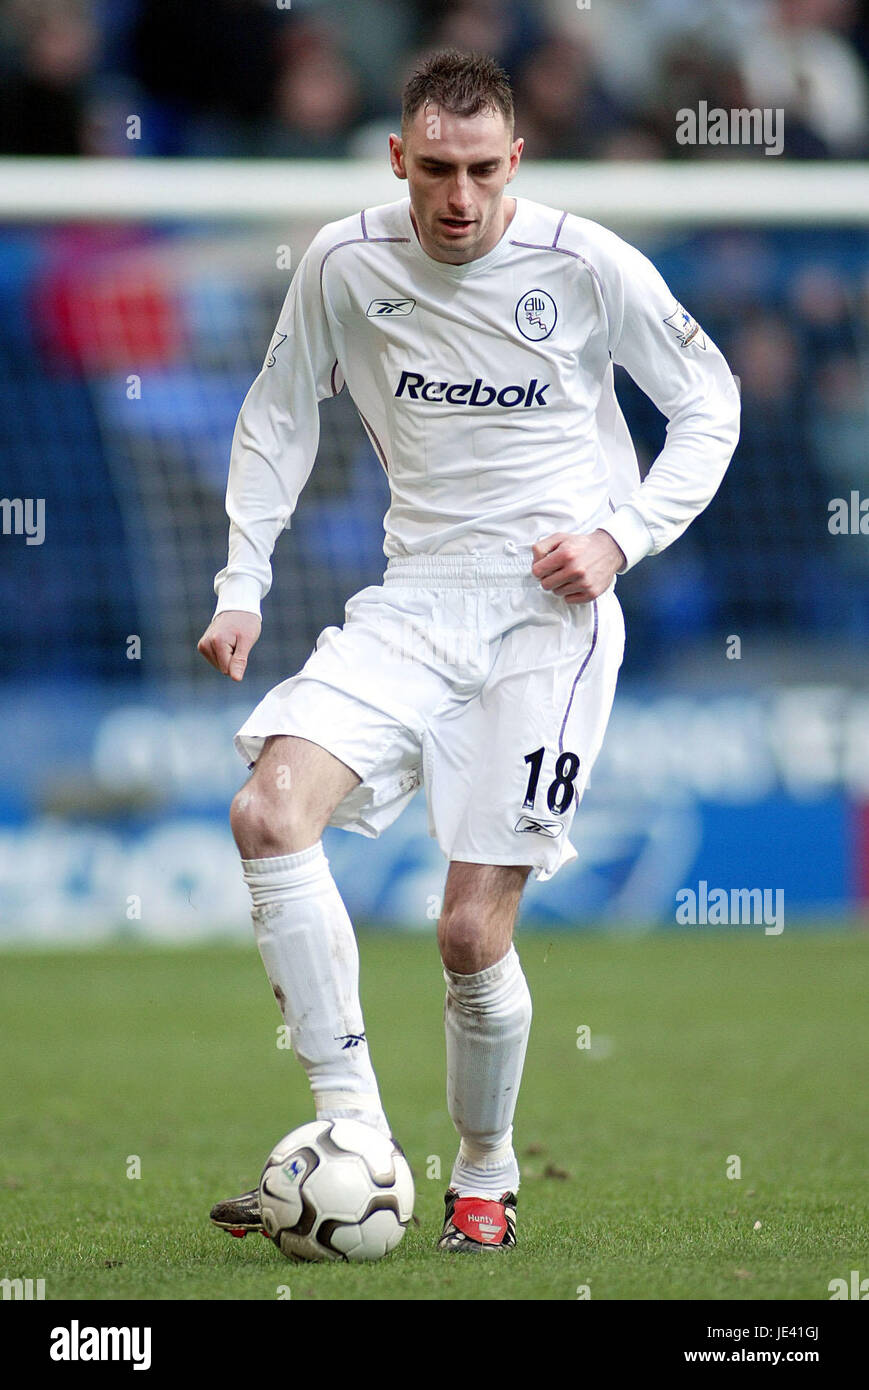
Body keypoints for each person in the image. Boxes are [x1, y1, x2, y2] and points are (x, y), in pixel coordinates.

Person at [197, 47, 740, 1254]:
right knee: (266, 811)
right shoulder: (342, 263)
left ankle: (485, 1171)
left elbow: (710, 400)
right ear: (396, 158)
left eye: (482, 171)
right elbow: (279, 415)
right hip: (413, 599)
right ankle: (353, 1128)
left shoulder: (584, 262)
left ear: (516, 162)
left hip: (548, 619)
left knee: (465, 934)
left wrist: (619, 534)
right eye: (433, 170)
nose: (457, 199)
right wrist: (243, 585)